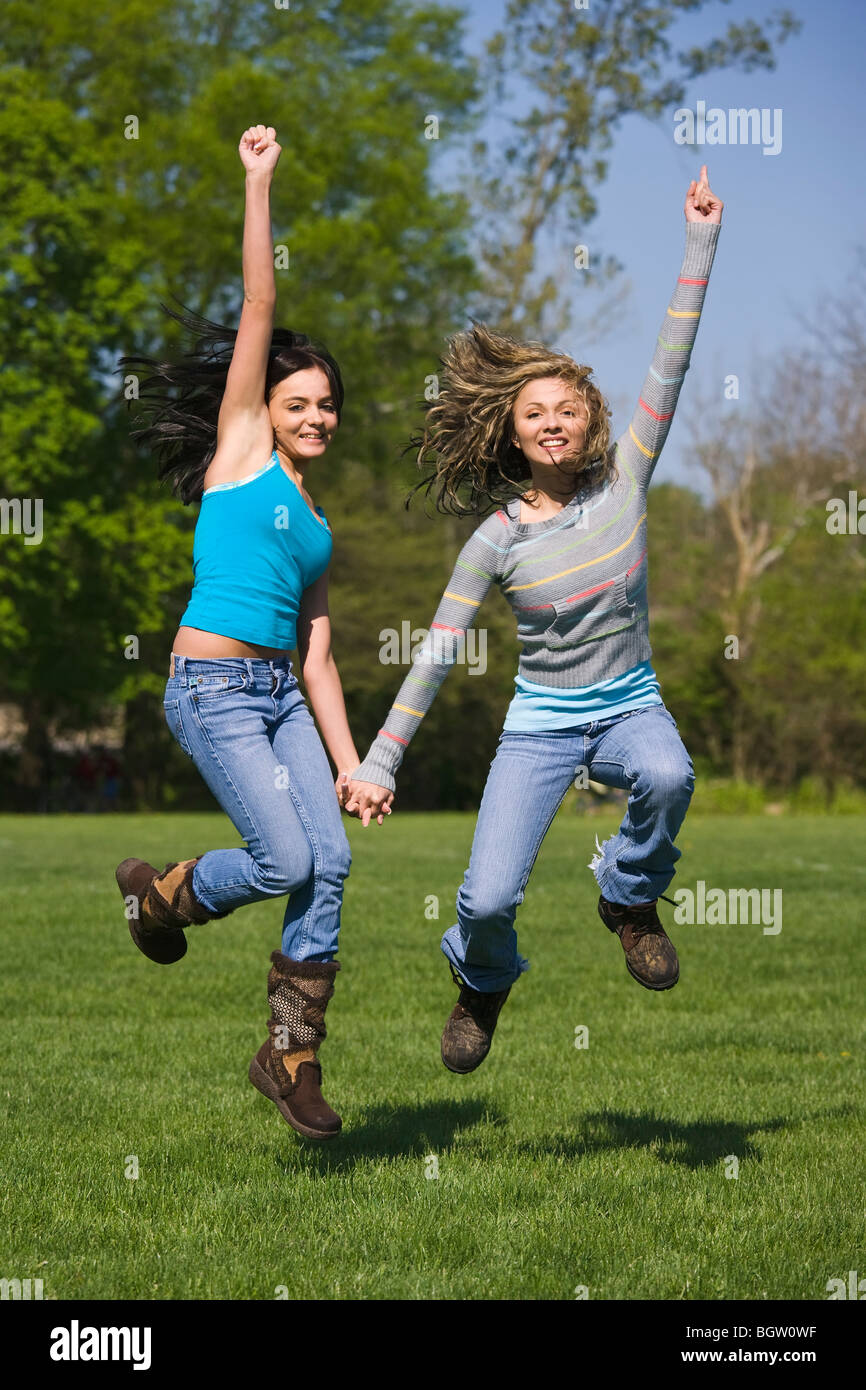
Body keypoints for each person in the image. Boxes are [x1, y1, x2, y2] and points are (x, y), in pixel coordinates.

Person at [347, 166, 723, 1074]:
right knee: (482, 901)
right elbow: (437, 653)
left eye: (567, 409)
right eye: (535, 416)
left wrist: (699, 243)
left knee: (670, 776)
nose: (553, 424)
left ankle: (628, 898)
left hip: (630, 703)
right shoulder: (498, 539)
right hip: (540, 727)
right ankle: (483, 984)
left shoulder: (626, 478)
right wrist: (380, 759)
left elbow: (671, 359)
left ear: (590, 417)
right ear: (513, 436)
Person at [114, 125, 375, 1141]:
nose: (314, 415)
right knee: (279, 860)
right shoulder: (241, 454)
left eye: (326, 406)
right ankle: (162, 898)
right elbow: (259, 305)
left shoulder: (313, 523)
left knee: (331, 860)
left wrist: (352, 764)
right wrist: (258, 183)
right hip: (213, 690)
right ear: (263, 408)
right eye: (297, 401)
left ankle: (291, 1056)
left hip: (280, 697)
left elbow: (318, 652)